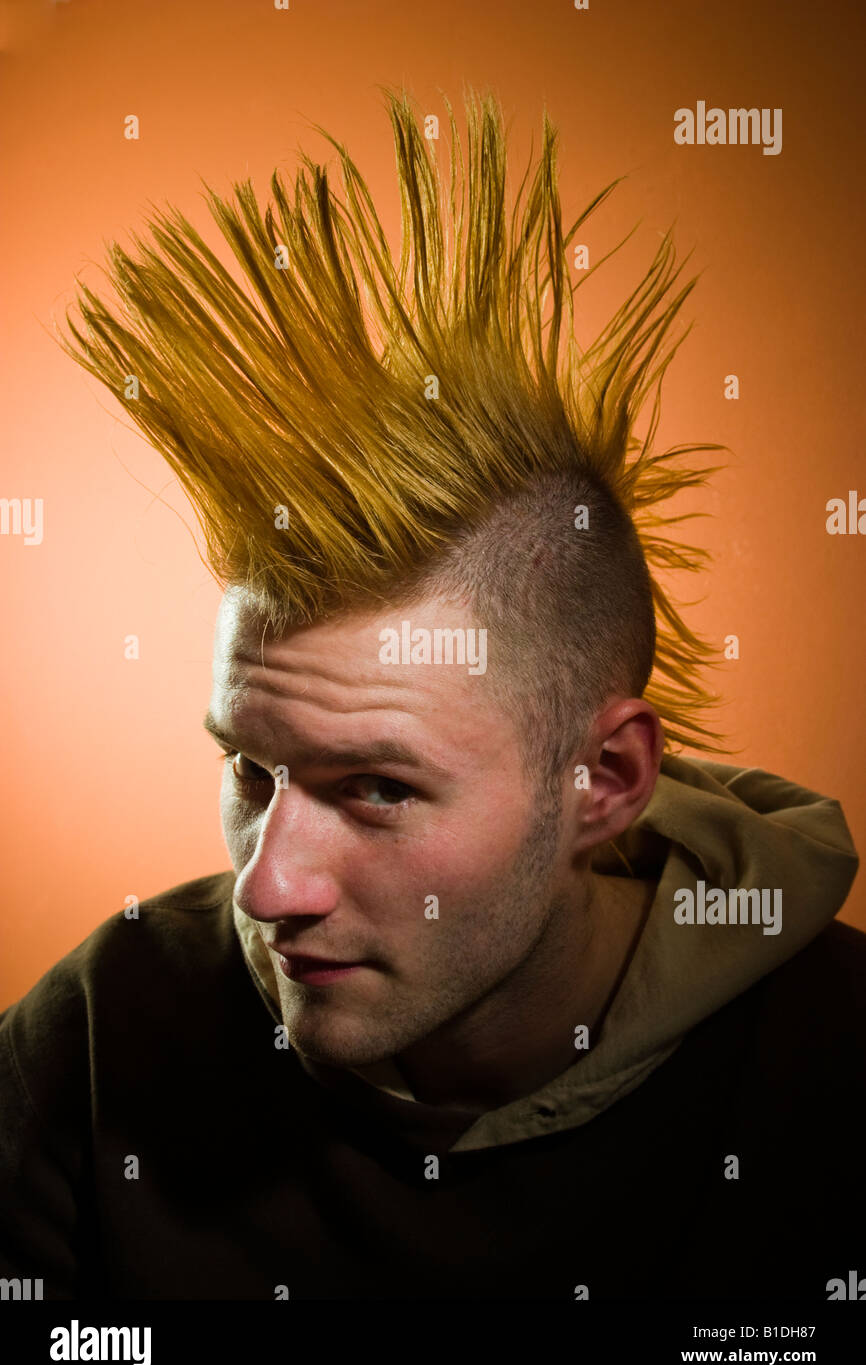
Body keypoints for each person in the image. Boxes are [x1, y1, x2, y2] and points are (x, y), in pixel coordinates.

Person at [1, 88, 862, 1302]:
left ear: (603, 781)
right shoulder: (91, 1040)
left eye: (378, 788)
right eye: (253, 770)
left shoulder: (836, 1067)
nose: (269, 886)